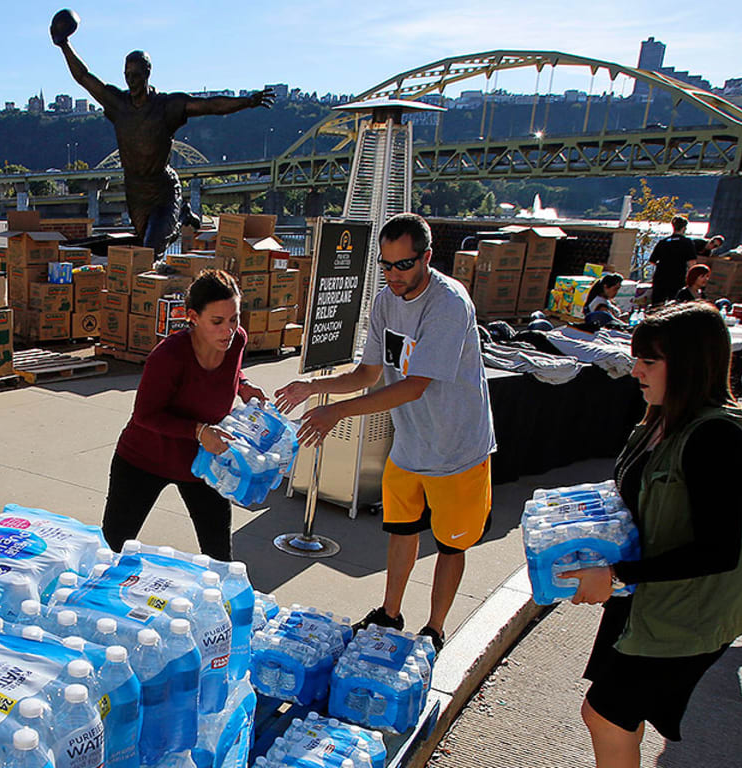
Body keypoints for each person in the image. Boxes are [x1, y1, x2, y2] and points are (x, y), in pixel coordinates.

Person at [273, 212, 494, 652]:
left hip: (456, 448)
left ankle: (435, 627)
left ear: (427, 258)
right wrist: (315, 388)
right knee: (401, 530)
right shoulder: (384, 300)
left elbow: (415, 386)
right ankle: (390, 614)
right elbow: (370, 373)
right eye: (385, 265)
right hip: (409, 444)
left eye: (404, 265)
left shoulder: (449, 303)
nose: (393, 275)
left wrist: (338, 414)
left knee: (451, 545)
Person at [562, 302, 742, 766]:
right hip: (645, 599)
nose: (635, 371)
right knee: (609, 714)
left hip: (684, 614)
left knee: (607, 714)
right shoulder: (662, 417)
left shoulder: (717, 438)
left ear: (690, 364)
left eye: (648, 361)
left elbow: (718, 551)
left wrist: (614, 572)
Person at [54, 18, 273, 253]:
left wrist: (248, 101)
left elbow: (209, 105)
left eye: (136, 75)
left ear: (147, 73)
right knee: (142, 247)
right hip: (136, 192)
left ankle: (176, 214)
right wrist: (63, 44)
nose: (131, 81)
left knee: (150, 251)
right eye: (127, 75)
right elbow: (84, 77)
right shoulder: (118, 104)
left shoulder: (166, 106)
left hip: (163, 191)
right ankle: (182, 217)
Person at [101, 269, 267, 560]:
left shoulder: (237, 341)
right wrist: (200, 431)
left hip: (203, 464)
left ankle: (224, 603)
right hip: (144, 460)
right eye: (217, 321)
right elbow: (145, 415)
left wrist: (243, 385)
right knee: (112, 548)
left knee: (219, 554)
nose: (228, 330)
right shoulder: (168, 356)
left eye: (234, 318)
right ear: (193, 316)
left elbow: (232, 372)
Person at [647, 215, 694, 307]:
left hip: (661, 277)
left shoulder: (663, 242)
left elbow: (652, 261)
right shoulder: (687, 242)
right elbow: (691, 263)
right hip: (677, 277)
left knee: (657, 304)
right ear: (684, 228)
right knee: (674, 304)